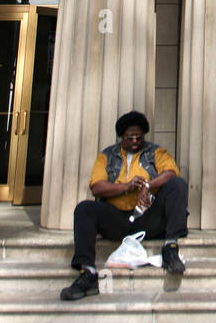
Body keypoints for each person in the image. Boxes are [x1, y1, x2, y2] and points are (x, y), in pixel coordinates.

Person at [60, 111, 188, 301]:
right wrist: (127, 187)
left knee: (178, 184)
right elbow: (97, 186)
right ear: (121, 137)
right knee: (84, 209)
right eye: (130, 138)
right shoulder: (106, 156)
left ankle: (170, 248)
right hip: (118, 219)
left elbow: (171, 172)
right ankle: (87, 272)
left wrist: (147, 185)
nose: (135, 141)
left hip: (147, 218)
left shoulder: (156, 152)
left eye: (139, 137)